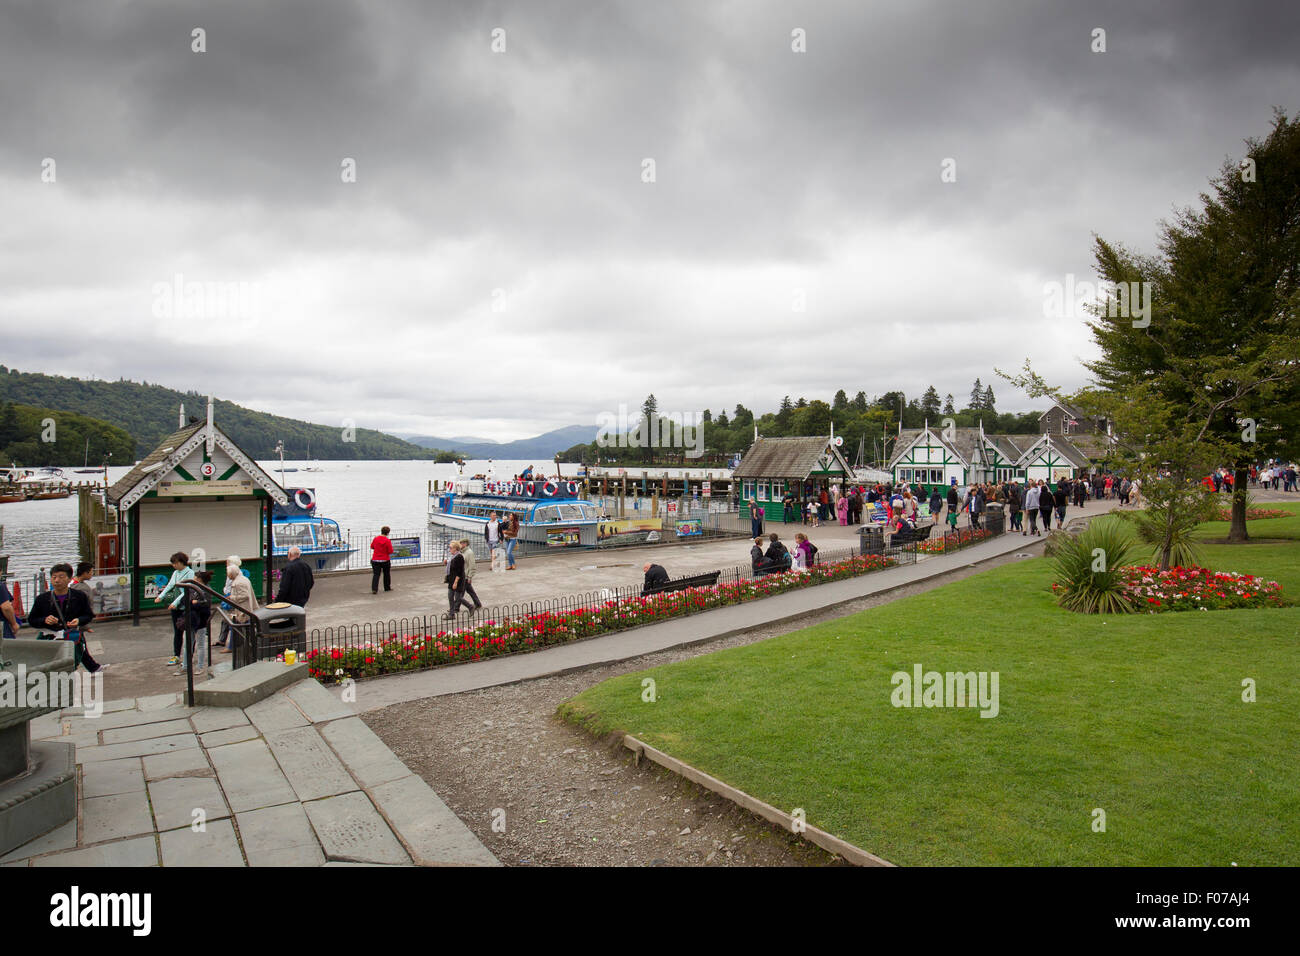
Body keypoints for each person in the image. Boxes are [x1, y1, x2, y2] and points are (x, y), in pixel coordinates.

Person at [28, 563, 101, 672]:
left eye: (61, 577)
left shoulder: (79, 596)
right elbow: (32, 620)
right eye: (54, 577)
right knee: (48, 668)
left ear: (69, 579)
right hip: (49, 638)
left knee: (69, 668)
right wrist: (45, 620)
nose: (57, 580)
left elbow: (88, 615)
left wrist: (79, 620)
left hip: (71, 637)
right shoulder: (42, 599)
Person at [154, 551, 195, 665]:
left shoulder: (190, 573)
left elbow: (187, 591)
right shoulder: (176, 573)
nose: (174, 565)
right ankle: (176, 655)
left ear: (182, 562)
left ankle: (188, 657)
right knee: (177, 632)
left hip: (185, 605)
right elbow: (170, 585)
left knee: (188, 632)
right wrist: (161, 596)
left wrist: (176, 603)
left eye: (175, 563)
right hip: (176, 606)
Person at [220, 561, 258, 655]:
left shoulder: (238, 582)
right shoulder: (243, 579)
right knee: (240, 628)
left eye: (228, 573)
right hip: (245, 609)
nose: (227, 575)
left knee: (240, 628)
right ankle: (239, 646)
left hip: (243, 610)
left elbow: (244, 596)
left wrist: (232, 597)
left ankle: (249, 647)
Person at [444, 541, 471, 617]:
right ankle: (451, 614)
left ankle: (470, 606)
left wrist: (455, 582)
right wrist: (446, 563)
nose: (449, 549)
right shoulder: (453, 556)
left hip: (458, 580)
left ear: (455, 548)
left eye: (450, 548)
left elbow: (459, 571)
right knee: (450, 596)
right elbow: (452, 566)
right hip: (451, 579)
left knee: (458, 598)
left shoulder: (459, 557)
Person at [458, 539, 483, 610]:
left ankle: (455, 607)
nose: (460, 545)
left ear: (465, 544)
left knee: (460, 593)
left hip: (465, 576)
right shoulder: (463, 552)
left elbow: (472, 566)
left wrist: (469, 576)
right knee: (468, 591)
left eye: (461, 543)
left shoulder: (469, 553)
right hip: (463, 575)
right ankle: (477, 603)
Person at [370, 526, 393, 594]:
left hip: (375, 559)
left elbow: (372, 546)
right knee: (386, 574)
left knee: (376, 575)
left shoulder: (376, 539)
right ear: (388, 533)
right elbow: (390, 551)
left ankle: (374, 589)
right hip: (385, 559)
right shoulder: (387, 540)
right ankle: (387, 587)